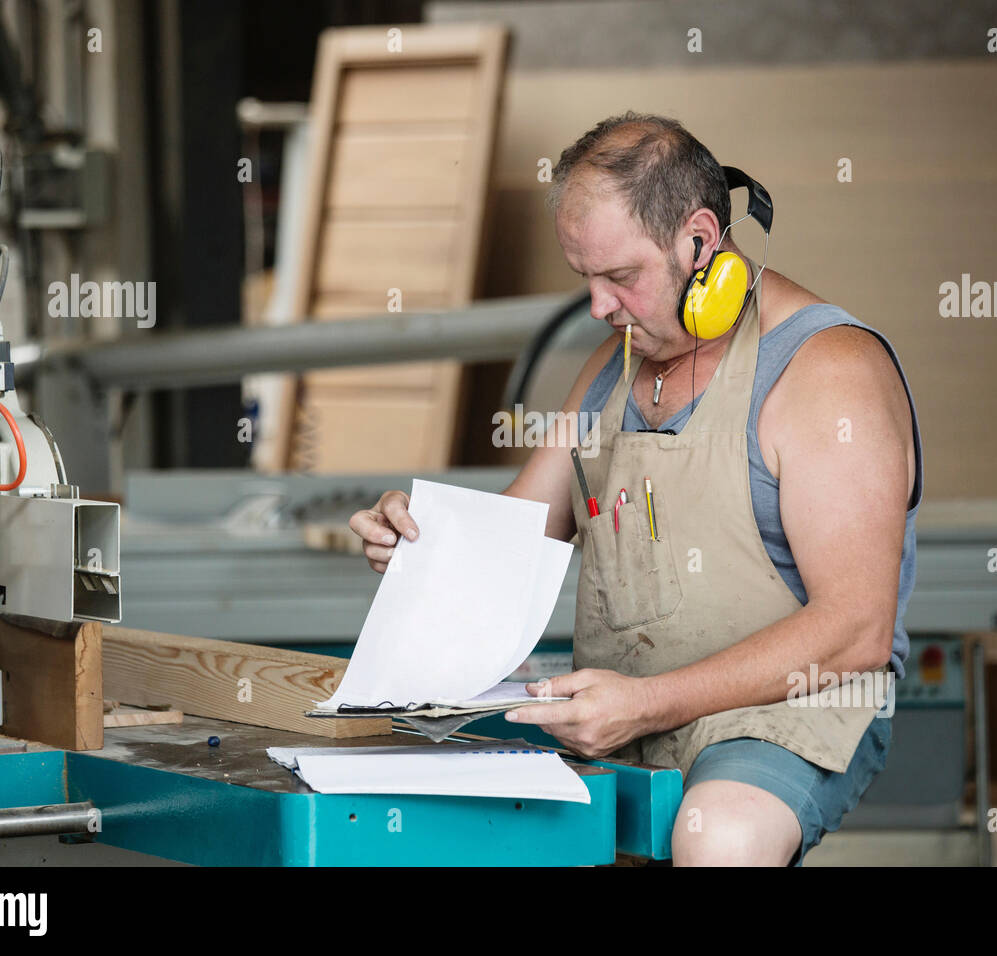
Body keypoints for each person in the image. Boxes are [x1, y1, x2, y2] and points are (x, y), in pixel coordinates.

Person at [349, 112, 923, 866]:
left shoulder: (826, 373)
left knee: (719, 836)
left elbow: (856, 630)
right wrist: (419, 537)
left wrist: (648, 703)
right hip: (626, 704)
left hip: (783, 709)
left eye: (620, 277)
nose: (597, 308)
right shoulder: (612, 368)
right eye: (585, 279)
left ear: (700, 240)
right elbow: (515, 538)